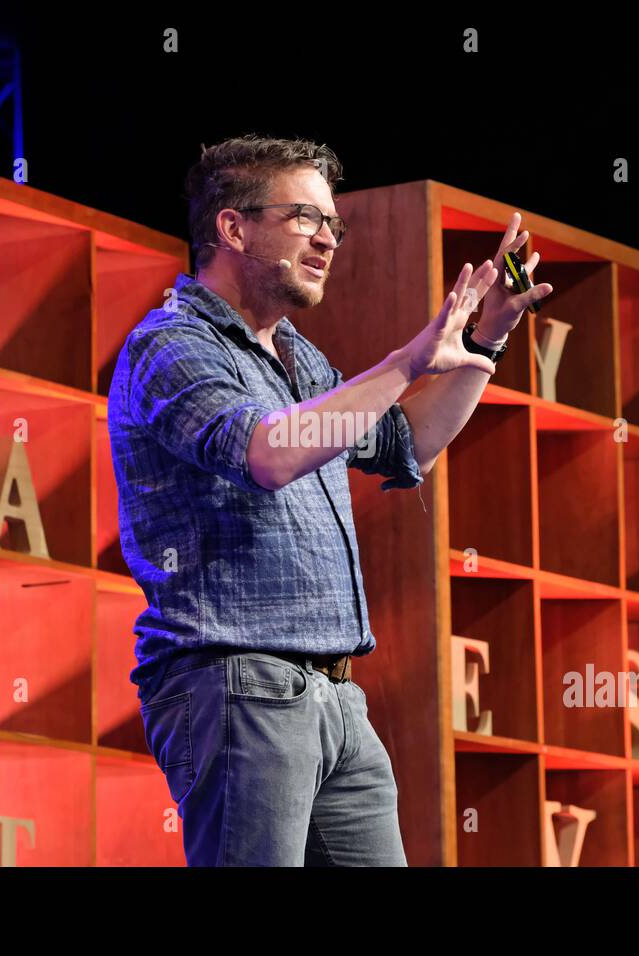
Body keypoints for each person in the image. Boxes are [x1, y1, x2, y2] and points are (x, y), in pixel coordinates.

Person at [107, 135, 551, 865]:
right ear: (233, 227)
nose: (328, 240)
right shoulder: (171, 345)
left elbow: (408, 445)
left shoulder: (298, 356)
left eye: (334, 226)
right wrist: (409, 359)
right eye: (307, 219)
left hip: (338, 694)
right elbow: (270, 454)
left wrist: (486, 338)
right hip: (238, 684)